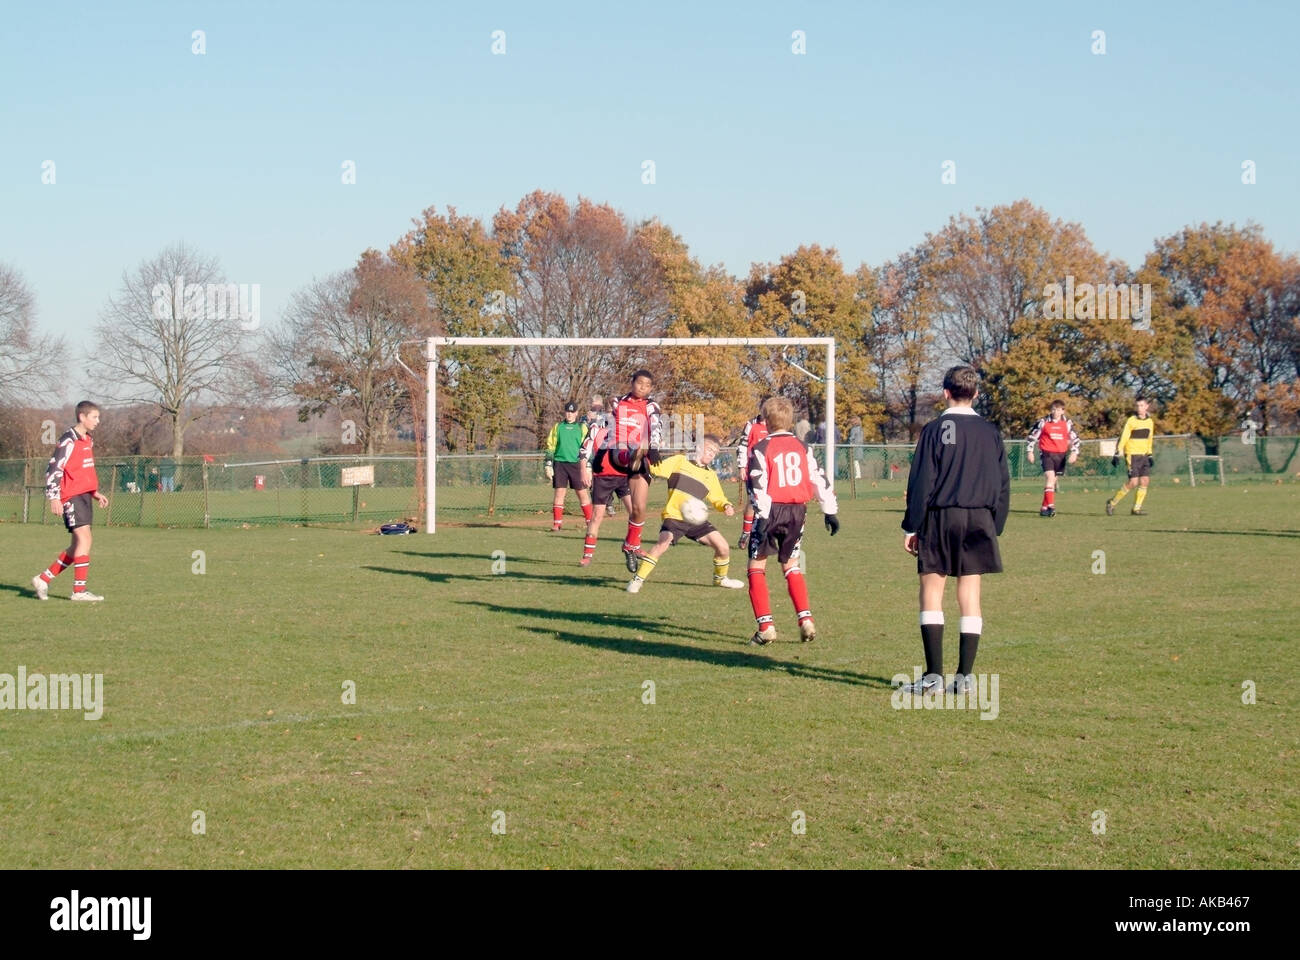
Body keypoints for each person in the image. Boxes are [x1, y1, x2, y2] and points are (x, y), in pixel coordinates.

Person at [900, 366, 1010, 695]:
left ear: (945, 392)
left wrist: (911, 526)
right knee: (970, 594)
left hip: (941, 517)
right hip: (979, 518)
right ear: (975, 394)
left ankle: (933, 677)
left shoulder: (935, 430)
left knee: (932, 590)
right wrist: (996, 524)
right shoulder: (990, 431)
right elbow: (1003, 482)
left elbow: (921, 482)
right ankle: (964, 678)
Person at [746, 396, 840, 645]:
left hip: (772, 509)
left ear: (766, 421)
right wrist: (829, 510)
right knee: (791, 565)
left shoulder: (761, 447)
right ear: (790, 421)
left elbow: (757, 483)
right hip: (798, 511)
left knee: (756, 567)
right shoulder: (803, 447)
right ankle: (805, 620)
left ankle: (766, 627)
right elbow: (819, 477)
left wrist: (762, 515)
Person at [626, 435, 743, 593]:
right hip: (674, 516)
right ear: (699, 447)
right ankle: (637, 580)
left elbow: (718, 498)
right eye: (709, 449)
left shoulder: (711, 475)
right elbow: (656, 468)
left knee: (723, 547)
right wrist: (643, 454)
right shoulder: (679, 461)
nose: (712, 454)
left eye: (715, 452)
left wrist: (726, 505)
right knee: (662, 544)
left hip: (696, 520)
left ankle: (720, 579)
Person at [31, 400, 110, 602]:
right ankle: (79, 591)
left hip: (83, 496)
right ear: (82, 417)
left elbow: (82, 471)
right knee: (85, 539)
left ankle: (43, 579)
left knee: (77, 546)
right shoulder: (68, 440)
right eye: (94, 417)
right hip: (71, 497)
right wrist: (54, 497)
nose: (98, 421)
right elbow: (53, 469)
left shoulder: (87, 439)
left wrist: (94, 492)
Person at [607, 370, 663, 573]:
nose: (643, 388)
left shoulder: (651, 406)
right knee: (629, 449)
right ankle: (633, 454)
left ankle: (630, 546)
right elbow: (608, 422)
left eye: (647, 385)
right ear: (632, 383)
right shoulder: (617, 401)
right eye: (640, 383)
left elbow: (656, 426)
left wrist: (654, 447)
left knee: (639, 509)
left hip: (643, 454)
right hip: (619, 449)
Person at [577, 410, 634, 567]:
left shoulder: (626, 430)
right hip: (602, 477)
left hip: (623, 476)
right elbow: (583, 450)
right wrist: (584, 470)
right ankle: (587, 556)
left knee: (635, 513)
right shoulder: (597, 428)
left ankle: (631, 545)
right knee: (597, 516)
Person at [1025, 399, 1080, 517]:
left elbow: (1075, 439)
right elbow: (1032, 436)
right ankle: (1051, 506)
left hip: (1060, 455)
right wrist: (1030, 451)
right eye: (1053, 409)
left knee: (1053, 481)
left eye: (1058, 409)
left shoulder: (1067, 423)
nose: (1055, 412)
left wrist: (1074, 452)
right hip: (1047, 453)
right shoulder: (1043, 422)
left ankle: (1044, 508)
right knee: (1050, 478)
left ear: (1063, 411)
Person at [544, 401, 593, 531]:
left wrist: (588, 466)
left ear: (576, 413)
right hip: (560, 464)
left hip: (577, 464)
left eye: (572, 412)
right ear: (564, 412)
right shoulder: (558, 427)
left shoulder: (582, 428)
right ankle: (557, 524)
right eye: (567, 411)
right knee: (559, 493)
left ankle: (590, 523)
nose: (569, 414)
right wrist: (548, 463)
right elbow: (551, 445)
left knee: (582, 493)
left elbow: (588, 447)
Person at [1106, 395, 1156, 516]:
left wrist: (1149, 454)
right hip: (1132, 455)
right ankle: (1112, 503)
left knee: (1145, 481)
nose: (1139, 408)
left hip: (1144, 455)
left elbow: (1149, 438)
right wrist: (1117, 452)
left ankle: (1136, 508)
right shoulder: (1131, 421)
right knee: (1133, 482)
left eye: (1142, 405)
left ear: (1147, 407)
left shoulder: (1150, 422)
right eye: (1137, 406)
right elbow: (1124, 437)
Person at [734, 402, 769, 549]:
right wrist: (742, 466)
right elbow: (742, 445)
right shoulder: (751, 424)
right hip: (753, 469)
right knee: (753, 501)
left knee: (769, 501)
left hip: (770, 469)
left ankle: (763, 534)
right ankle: (746, 533)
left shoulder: (774, 425)